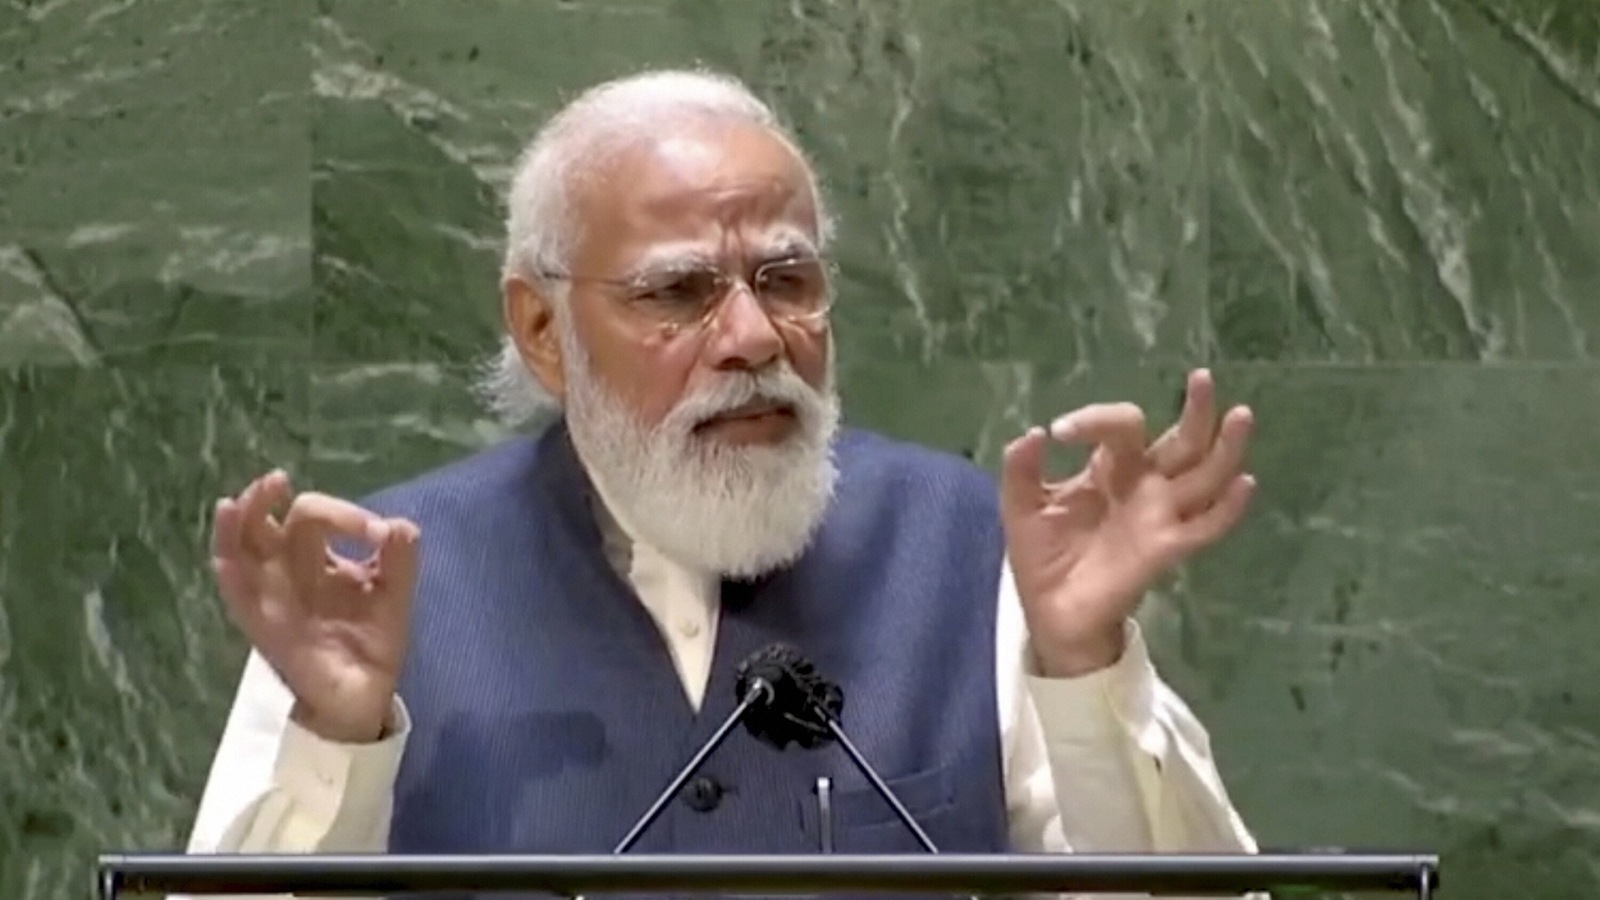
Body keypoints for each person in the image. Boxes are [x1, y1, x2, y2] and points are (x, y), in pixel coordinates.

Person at [182, 69, 1261, 899]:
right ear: (544, 330)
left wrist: (1083, 667)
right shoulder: (376, 592)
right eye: (679, 292)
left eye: (786, 279)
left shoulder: (974, 549)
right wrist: (336, 743)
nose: (753, 337)